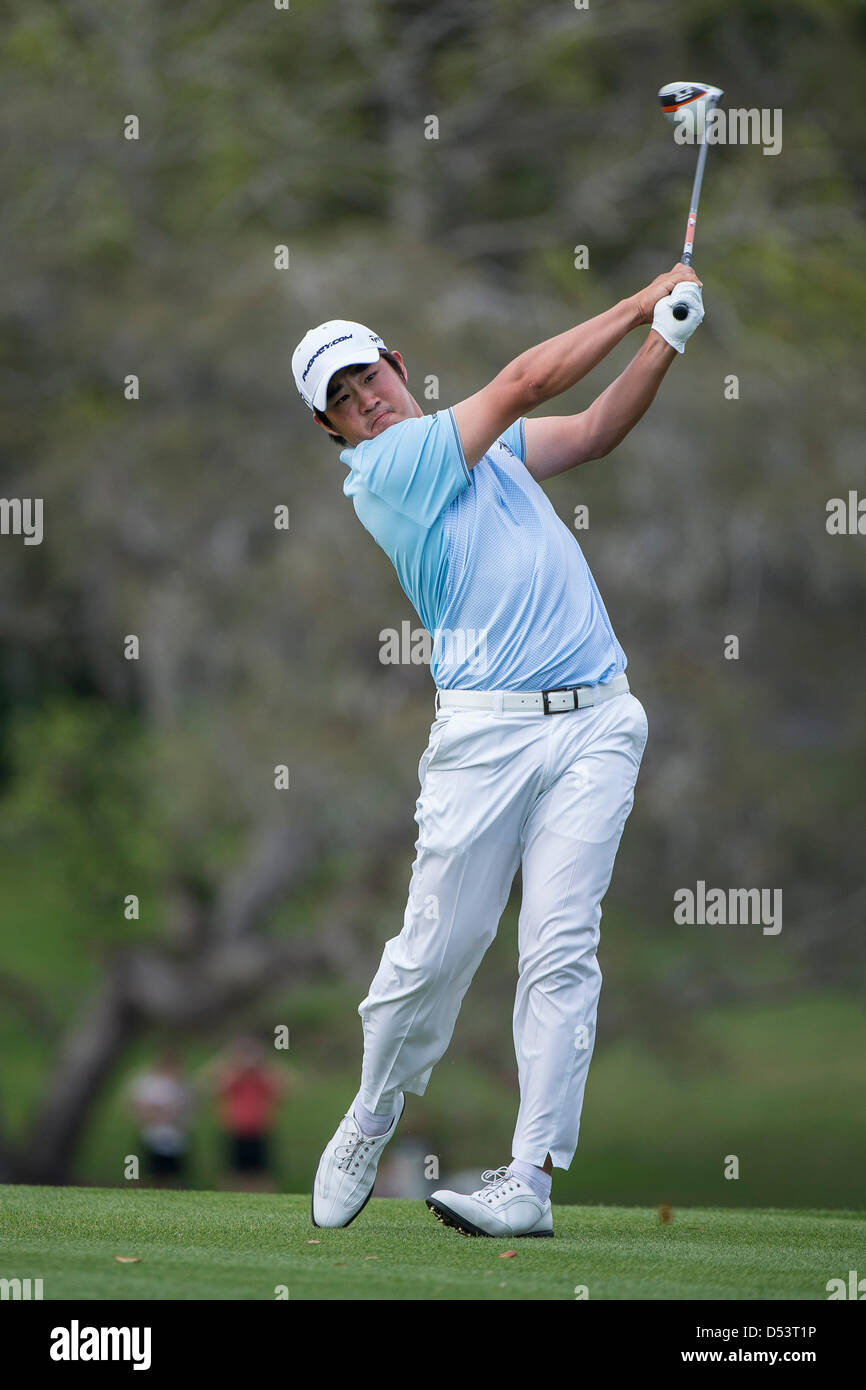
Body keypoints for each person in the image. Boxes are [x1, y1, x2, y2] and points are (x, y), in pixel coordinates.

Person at [293, 265, 704, 1237]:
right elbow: (523, 380)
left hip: (598, 717)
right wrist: (636, 302)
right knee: (435, 952)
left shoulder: (490, 449)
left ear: (397, 364)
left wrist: (665, 340)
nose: (365, 404)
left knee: (560, 948)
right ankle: (374, 1106)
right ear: (335, 435)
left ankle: (528, 1179)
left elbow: (594, 429)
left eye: (368, 379)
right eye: (343, 404)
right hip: (485, 735)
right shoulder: (388, 476)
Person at [205, 1036, 288, 1192]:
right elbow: (214, 1088)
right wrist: (233, 1063)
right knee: (233, 1173)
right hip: (235, 1129)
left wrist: (264, 1065)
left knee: (262, 1174)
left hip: (259, 1130)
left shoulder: (262, 1075)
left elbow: (283, 1089)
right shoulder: (232, 1074)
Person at [128, 1049, 196, 1187]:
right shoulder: (150, 1085)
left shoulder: (183, 1085)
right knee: (152, 1174)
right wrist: (160, 1114)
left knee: (175, 1175)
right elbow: (140, 1109)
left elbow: (191, 1108)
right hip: (153, 1136)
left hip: (177, 1138)